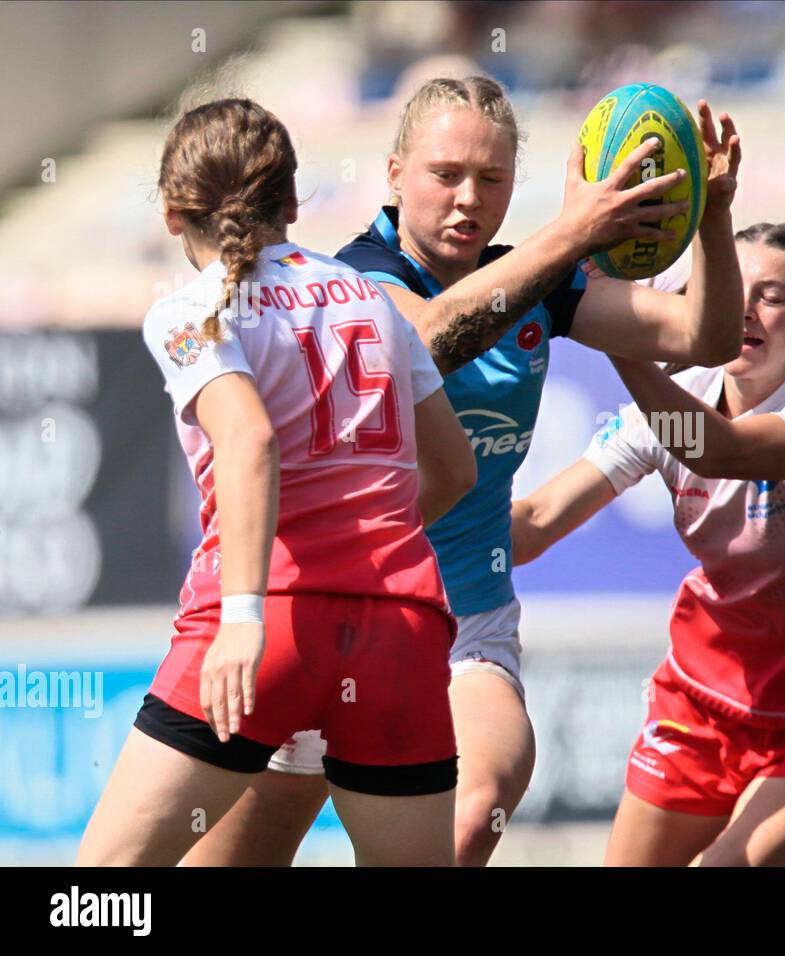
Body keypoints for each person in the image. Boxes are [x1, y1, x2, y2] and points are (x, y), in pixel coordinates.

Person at [183, 75, 744, 866]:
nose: (467, 200)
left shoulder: (547, 282)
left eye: (492, 179)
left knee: (474, 813)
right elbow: (429, 338)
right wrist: (570, 233)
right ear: (393, 175)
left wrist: (713, 222)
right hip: (327, 613)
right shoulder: (356, 280)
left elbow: (705, 337)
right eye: (445, 175)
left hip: (463, 622)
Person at [77, 98, 477, 866]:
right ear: (294, 202)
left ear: (170, 213)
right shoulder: (375, 299)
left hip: (268, 628)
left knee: (95, 894)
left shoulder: (187, 312)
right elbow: (455, 468)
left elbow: (249, 438)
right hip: (401, 631)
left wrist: (244, 617)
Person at [511, 222, 785, 866]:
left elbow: (725, 451)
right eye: (733, 290)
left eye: (776, 296)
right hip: (702, 701)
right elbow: (531, 524)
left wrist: (623, 338)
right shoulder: (669, 407)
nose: (748, 311)